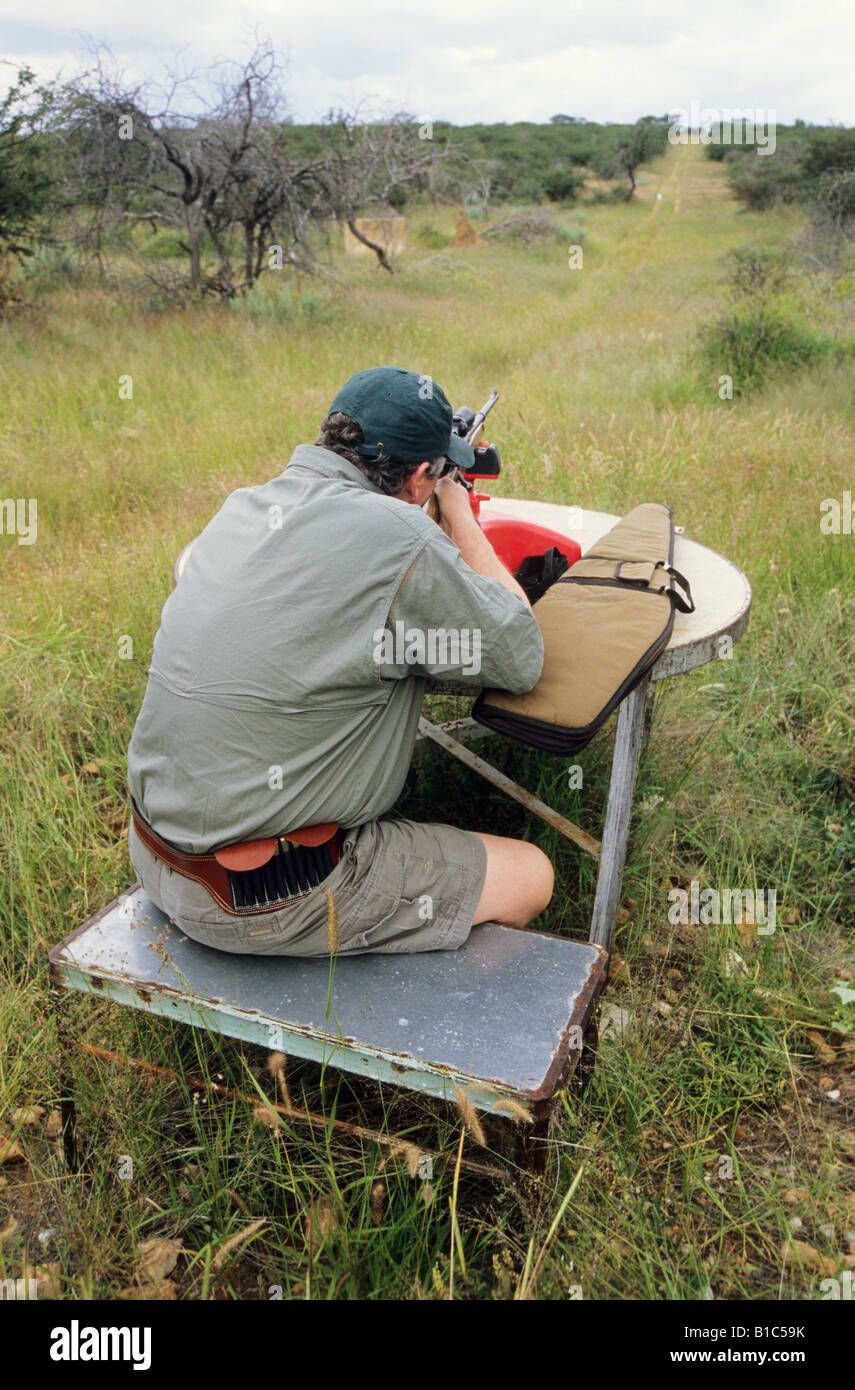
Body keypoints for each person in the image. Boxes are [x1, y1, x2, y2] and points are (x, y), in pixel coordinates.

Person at [127, 365, 553, 955]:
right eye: (436, 478)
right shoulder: (405, 534)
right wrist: (454, 509)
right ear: (421, 476)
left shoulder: (243, 505)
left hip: (154, 855)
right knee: (533, 875)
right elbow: (520, 651)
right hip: (265, 895)